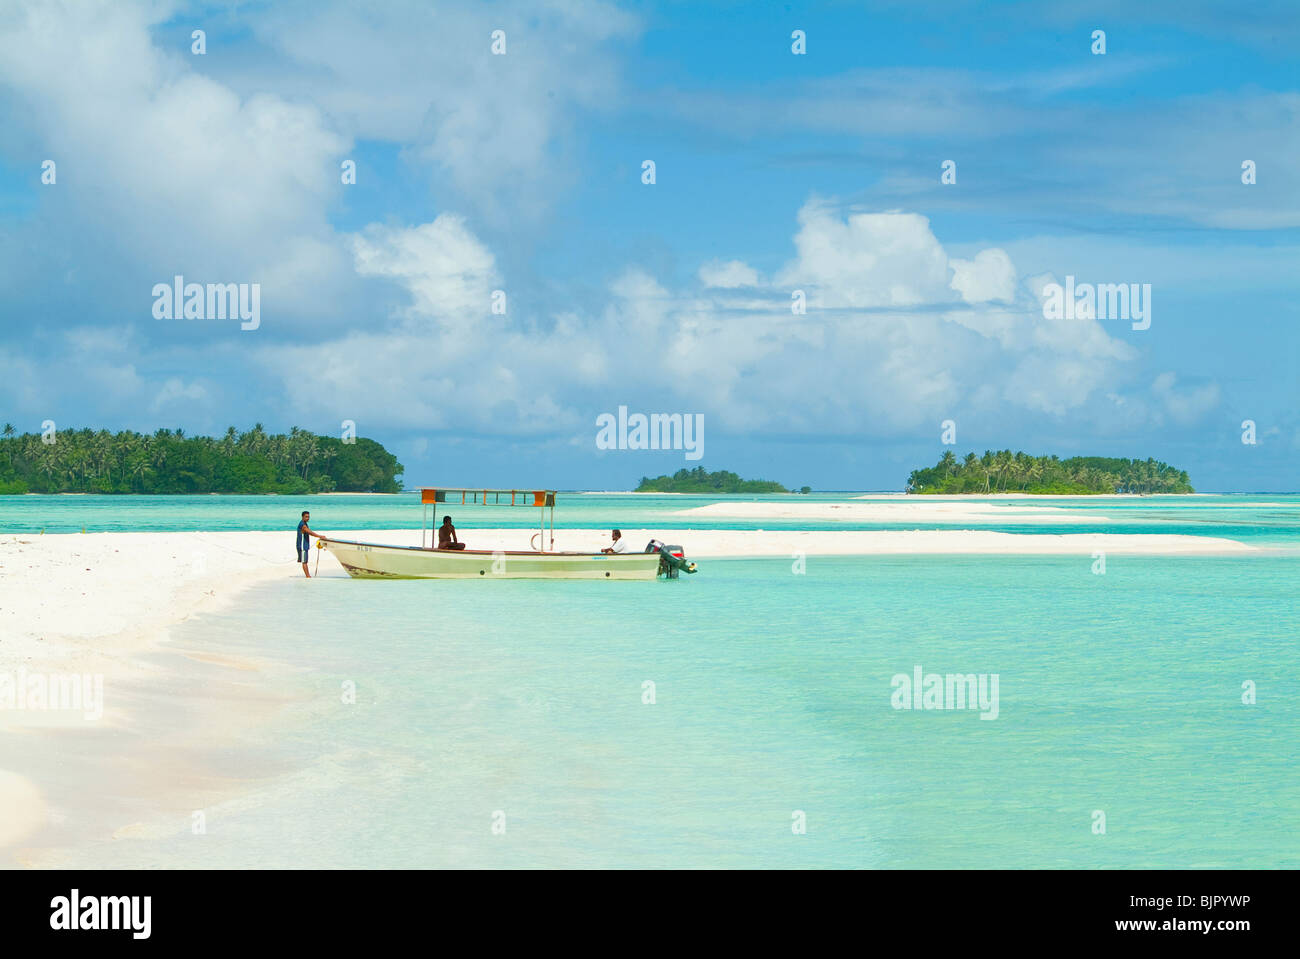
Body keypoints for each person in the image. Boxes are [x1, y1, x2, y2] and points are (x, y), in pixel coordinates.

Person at [296, 510, 320, 577]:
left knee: (304, 560)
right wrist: (320, 536)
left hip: (303, 545)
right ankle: (308, 576)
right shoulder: (302, 525)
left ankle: (307, 575)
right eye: (306, 517)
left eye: (308, 517)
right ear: (302, 517)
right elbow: (310, 532)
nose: (308, 518)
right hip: (302, 546)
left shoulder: (305, 523)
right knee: (304, 561)